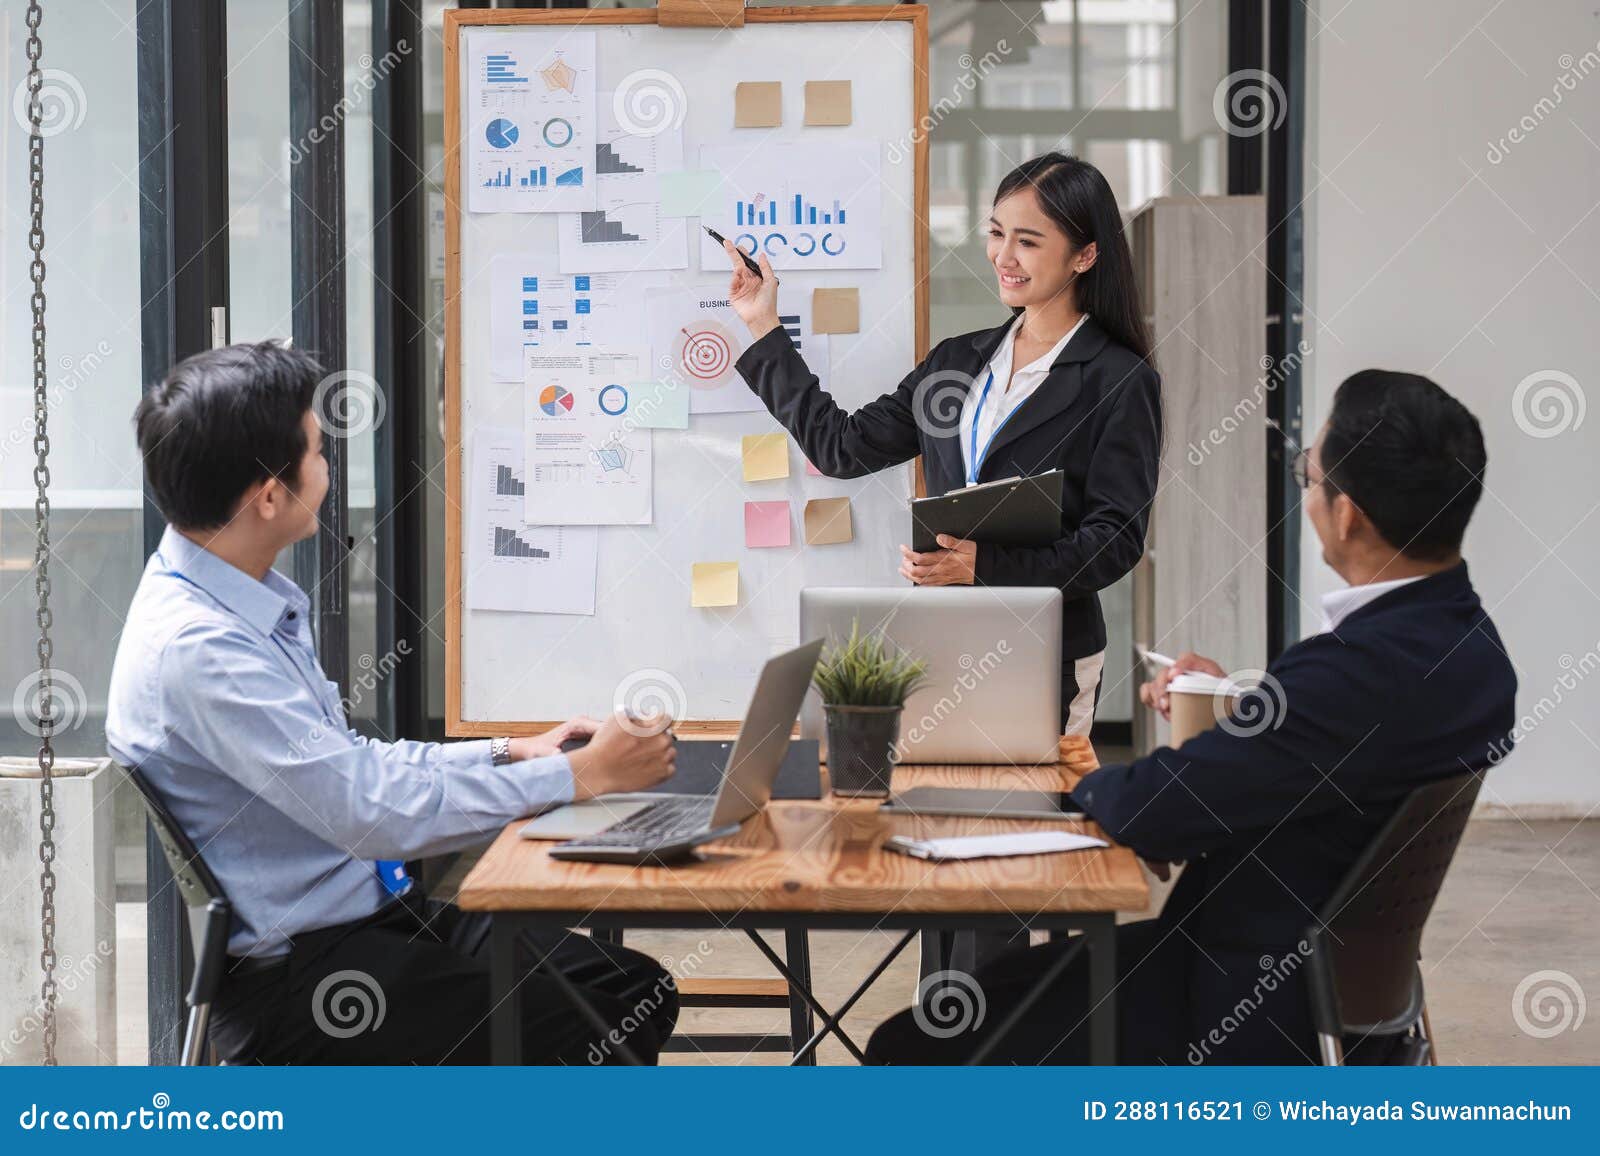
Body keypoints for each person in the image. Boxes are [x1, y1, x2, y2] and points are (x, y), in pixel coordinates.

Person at [864, 369, 1518, 1065]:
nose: (1308, 492)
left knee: (915, 1042)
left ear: (1348, 513)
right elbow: (1330, 754)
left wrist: (1070, 783)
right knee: (996, 988)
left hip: (1240, 1002)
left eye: (1309, 474)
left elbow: (1153, 811)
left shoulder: (1351, 673)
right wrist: (1244, 712)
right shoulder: (1473, 651)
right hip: (1337, 992)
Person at [107, 342, 680, 1065]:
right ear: (269, 495)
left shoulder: (238, 597)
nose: (328, 465)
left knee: (631, 986)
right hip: (306, 983)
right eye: (317, 450)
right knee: (600, 1020)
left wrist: (511, 751)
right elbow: (370, 812)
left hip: (368, 919)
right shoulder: (201, 651)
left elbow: (354, 769)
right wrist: (580, 776)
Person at [725, 152, 1161, 736]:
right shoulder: (958, 361)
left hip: (1048, 650)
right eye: (997, 233)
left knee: (1026, 818)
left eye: (1028, 241)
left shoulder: (1119, 379)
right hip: (940, 640)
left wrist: (985, 566)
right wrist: (762, 325)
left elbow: (1114, 543)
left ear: (1084, 255)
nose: (1003, 257)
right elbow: (842, 448)